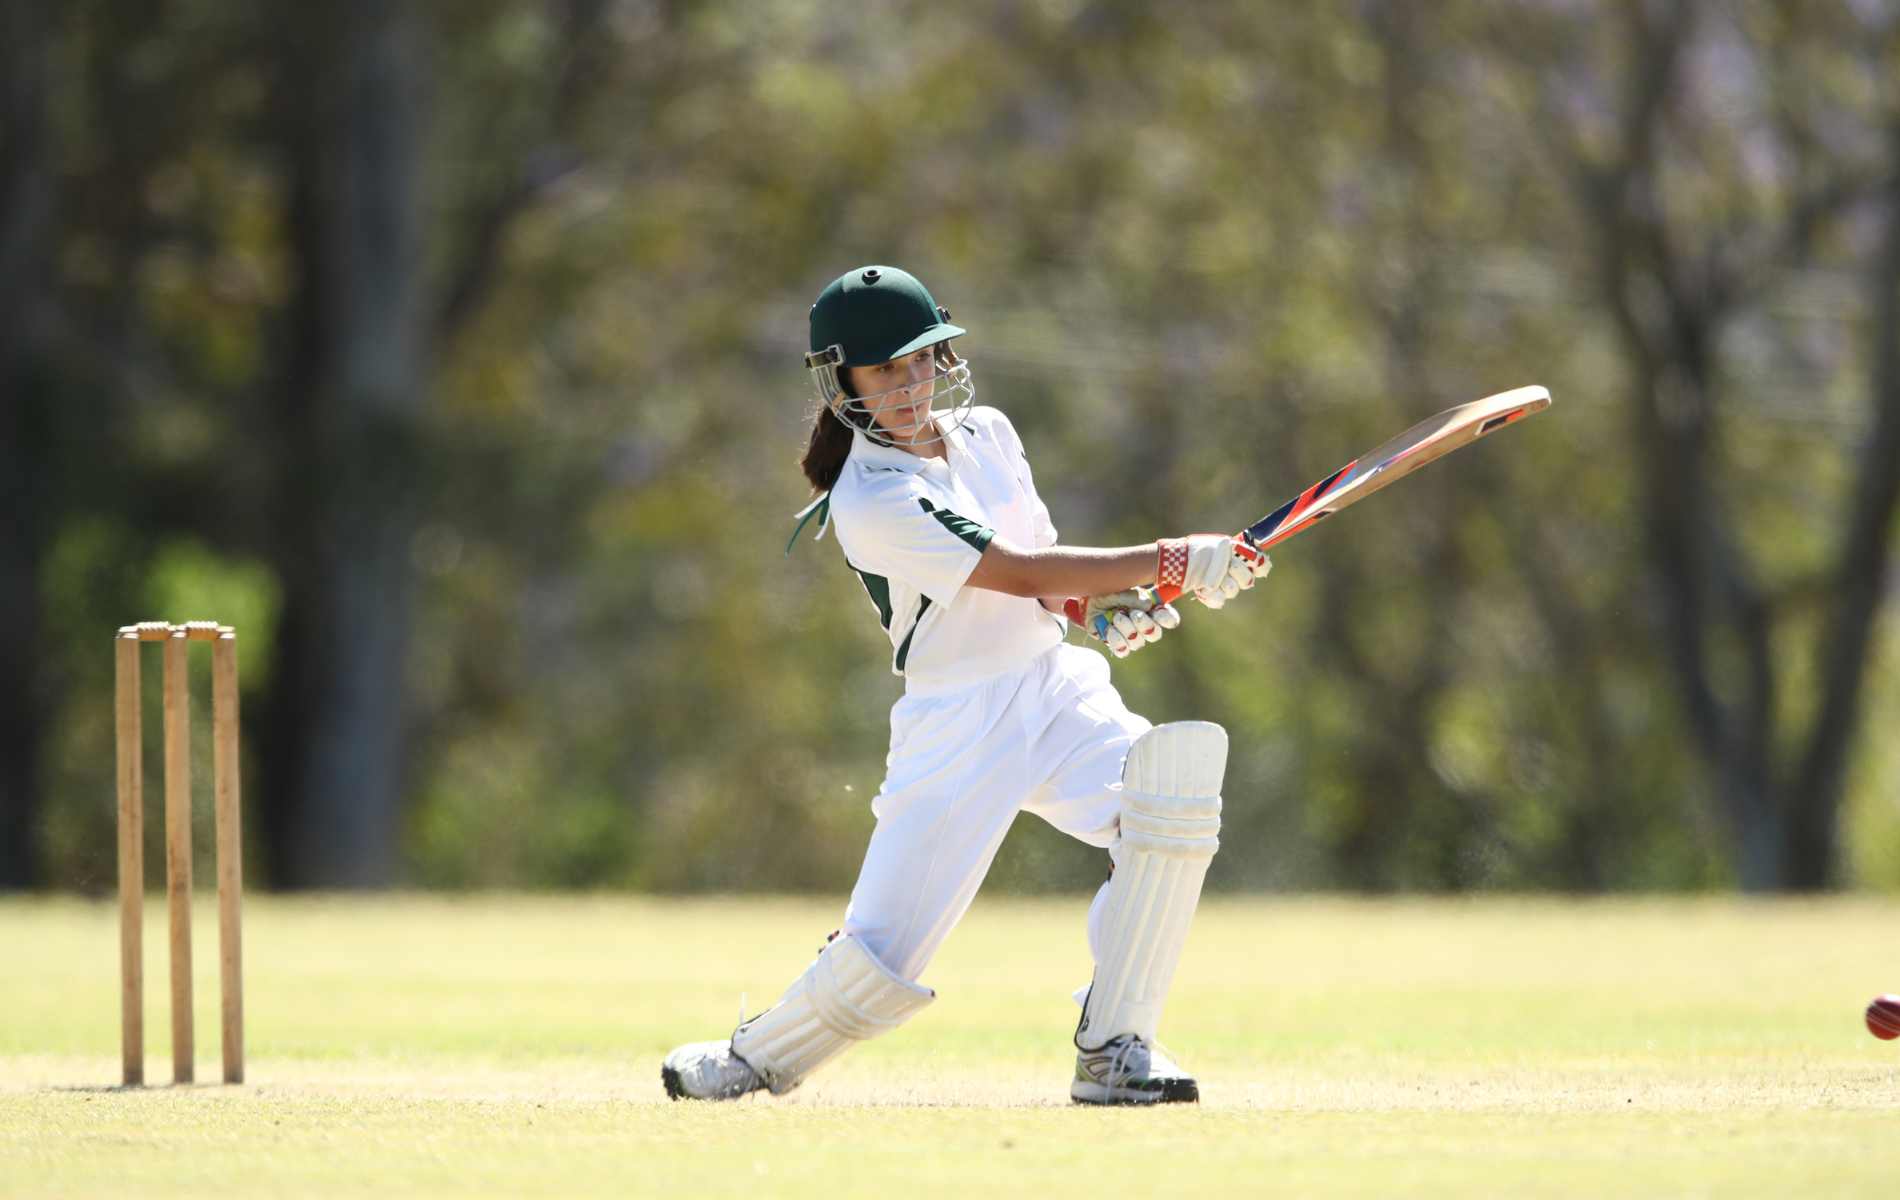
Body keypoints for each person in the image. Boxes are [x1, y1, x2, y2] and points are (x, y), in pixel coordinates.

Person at [661, 265, 1270, 1105]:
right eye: (884, 371)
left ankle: (1114, 1049)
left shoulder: (987, 433)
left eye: (921, 361)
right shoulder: (870, 497)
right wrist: (1174, 559)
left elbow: (1043, 573)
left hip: (1053, 689)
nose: (910, 386)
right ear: (842, 384)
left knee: (1171, 803)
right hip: (958, 724)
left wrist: (1097, 615)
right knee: (882, 962)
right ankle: (754, 1058)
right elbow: (1013, 570)